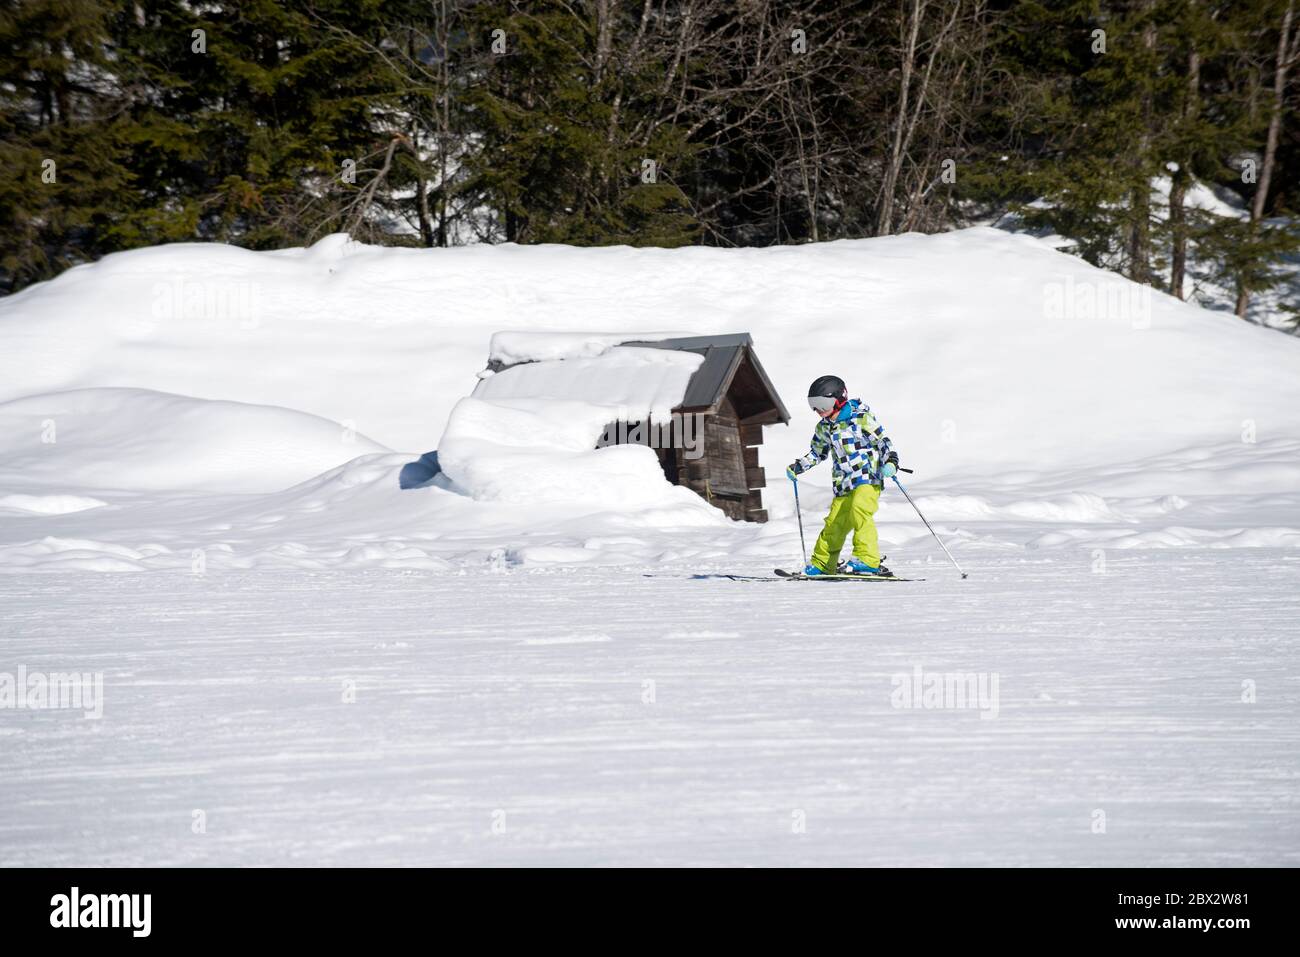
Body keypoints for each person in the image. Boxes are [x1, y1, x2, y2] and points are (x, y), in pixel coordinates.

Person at [786, 375, 899, 577]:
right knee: (834, 523)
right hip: (842, 482)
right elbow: (817, 453)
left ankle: (867, 559)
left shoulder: (861, 417)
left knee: (859, 511)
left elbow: (883, 441)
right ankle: (823, 563)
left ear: (839, 399)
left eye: (823, 403)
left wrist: (891, 461)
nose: (818, 410)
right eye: (813, 404)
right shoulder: (824, 427)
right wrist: (799, 466)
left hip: (867, 476)